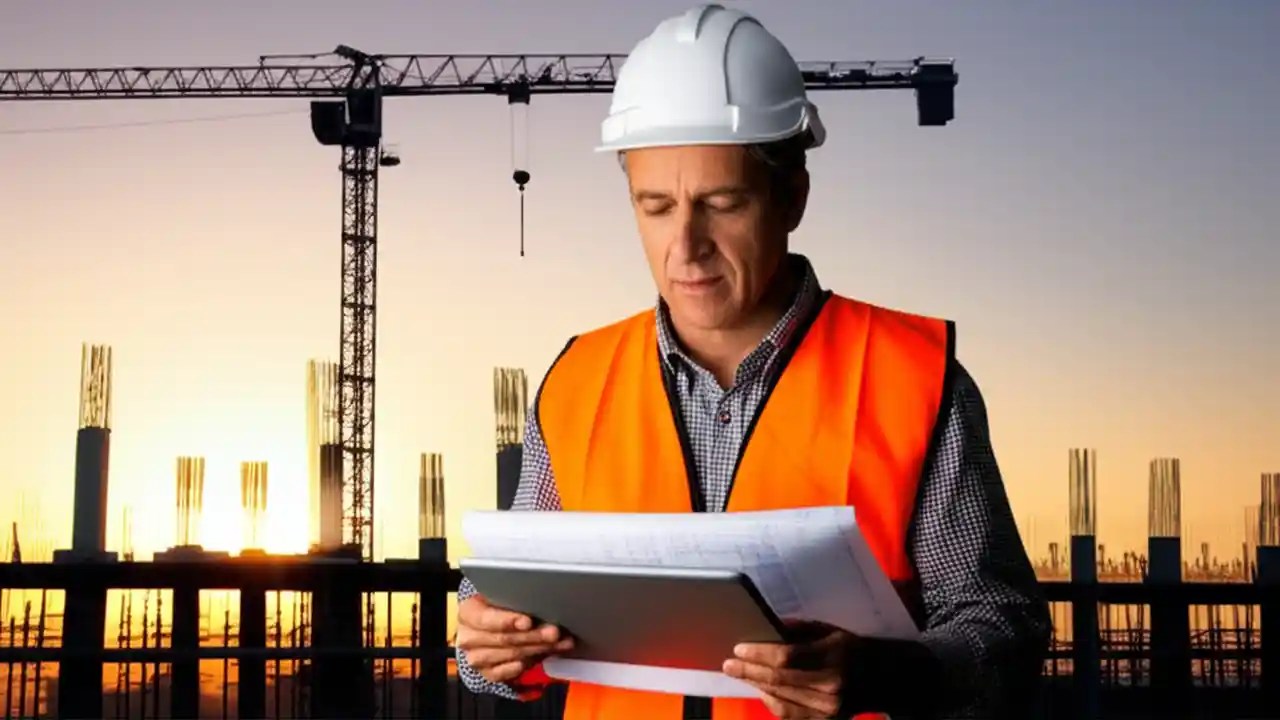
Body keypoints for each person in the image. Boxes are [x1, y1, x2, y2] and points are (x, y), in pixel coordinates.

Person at [455, 4, 1051, 718]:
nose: (686, 246)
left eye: (722, 203)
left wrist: (888, 676)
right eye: (655, 206)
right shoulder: (576, 383)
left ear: (792, 197)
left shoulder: (915, 380)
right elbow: (495, 627)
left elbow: (1005, 634)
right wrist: (488, 647)